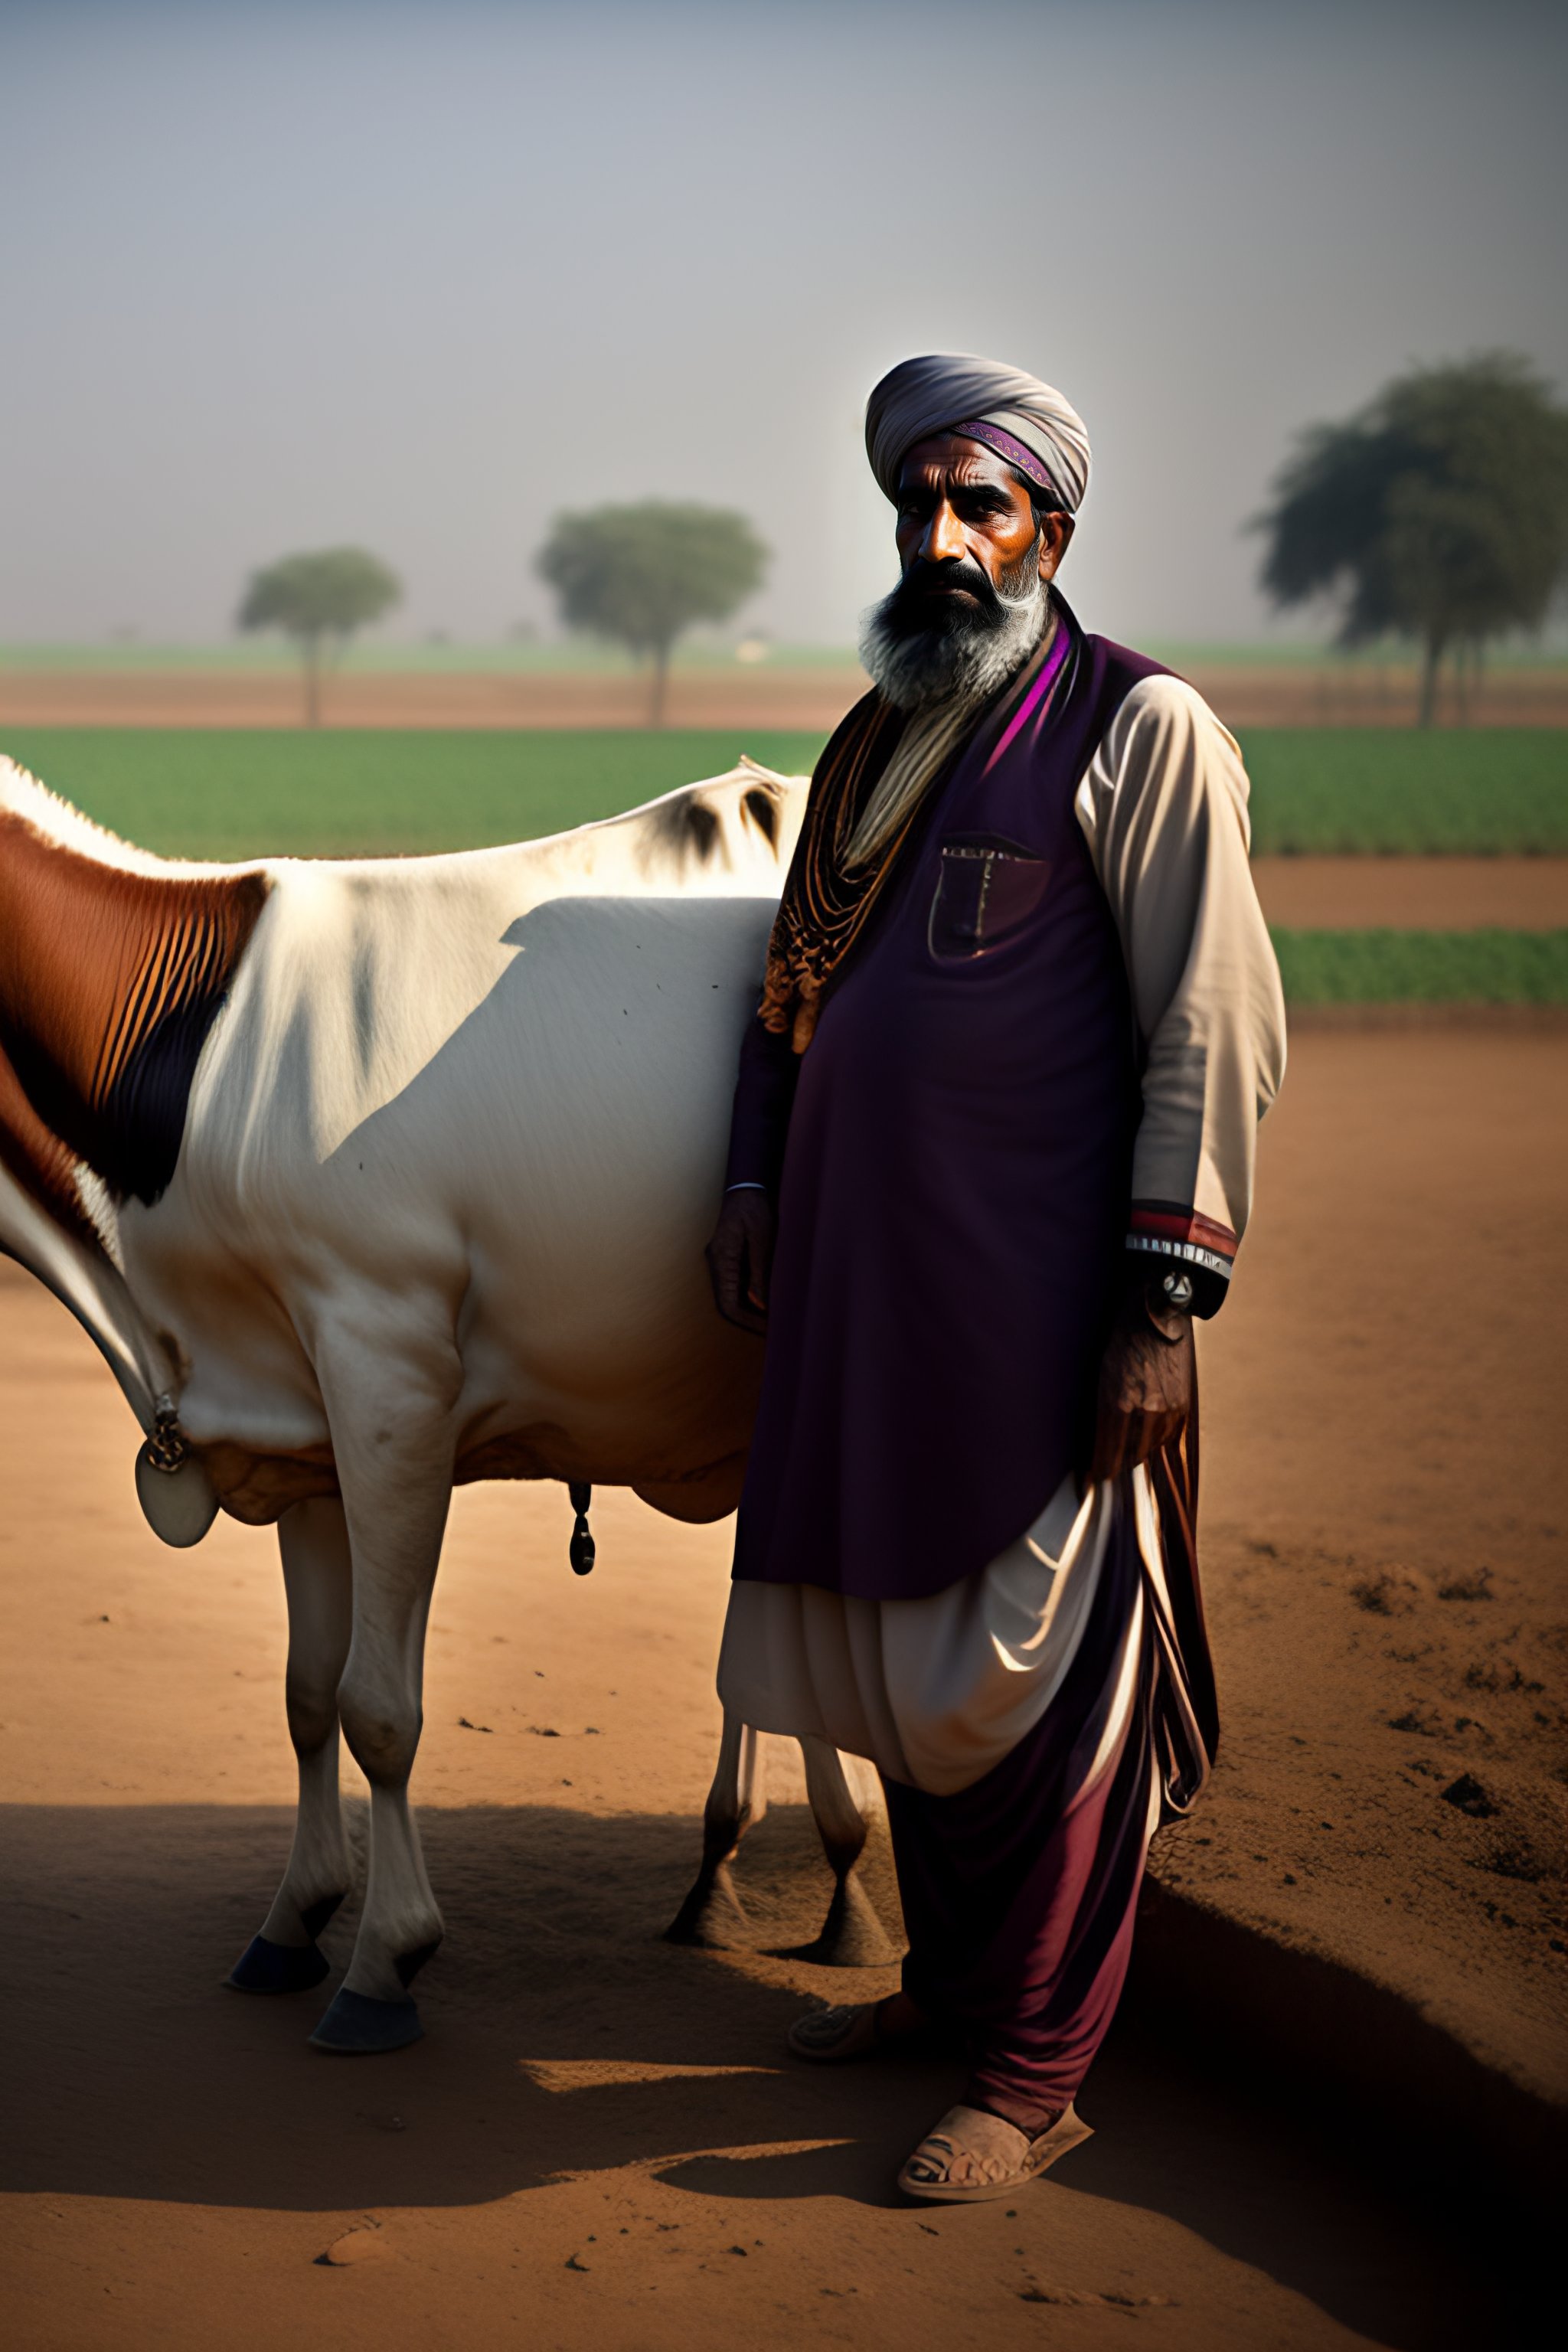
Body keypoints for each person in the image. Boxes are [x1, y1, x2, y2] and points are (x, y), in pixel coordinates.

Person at [705, 351, 1287, 2204]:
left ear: (1053, 530)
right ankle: (955, 1994)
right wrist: (751, 1175)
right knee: (914, 1670)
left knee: (1043, 1690)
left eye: (985, 505)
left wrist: (1158, 1309)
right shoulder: (874, 736)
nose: (945, 536)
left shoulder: (1139, 725)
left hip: (1043, 1310)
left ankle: (1035, 2077)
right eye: (921, 504)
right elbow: (790, 987)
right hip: (865, 1303)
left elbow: (1213, 1022)